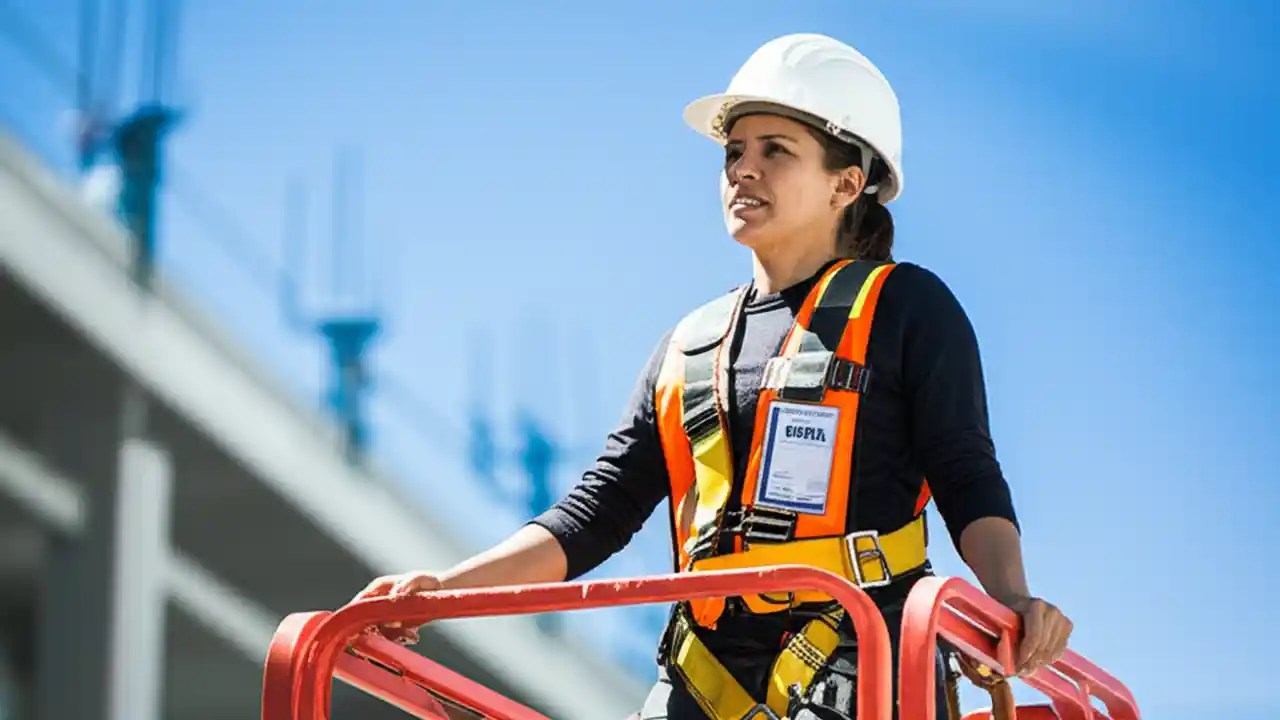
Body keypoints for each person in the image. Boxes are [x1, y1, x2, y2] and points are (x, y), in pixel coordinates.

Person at [351, 33, 1073, 719]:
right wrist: (442, 589)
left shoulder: (906, 308)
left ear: (846, 183)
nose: (742, 170)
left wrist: (1010, 600)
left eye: (776, 151)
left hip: (860, 661)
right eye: (734, 152)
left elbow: (964, 469)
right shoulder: (691, 347)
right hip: (703, 677)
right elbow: (596, 512)